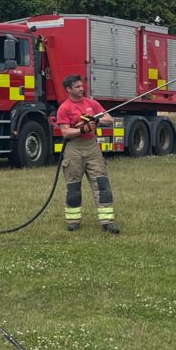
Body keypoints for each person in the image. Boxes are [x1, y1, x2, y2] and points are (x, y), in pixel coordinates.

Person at [55, 75, 120, 234]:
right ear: (69, 89)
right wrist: (81, 129)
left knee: (102, 184)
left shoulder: (92, 104)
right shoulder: (64, 108)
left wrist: (96, 120)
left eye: (81, 86)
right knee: (73, 186)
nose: (81, 89)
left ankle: (107, 222)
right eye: (77, 87)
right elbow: (65, 132)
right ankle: (73, 222)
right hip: (74, 149)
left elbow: (109, 119)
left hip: (92, 148)